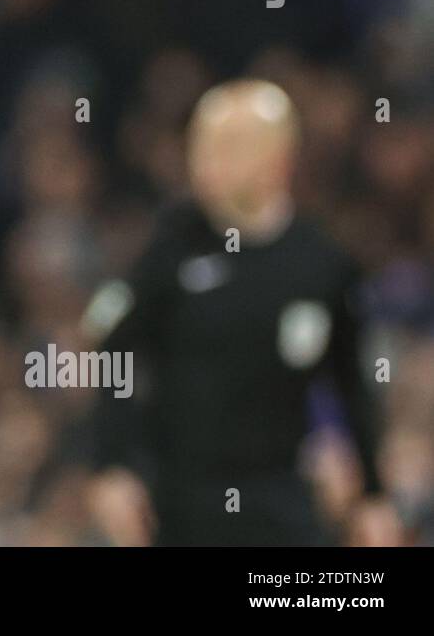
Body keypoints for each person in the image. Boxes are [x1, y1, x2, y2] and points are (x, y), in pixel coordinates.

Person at [84, 79, 403, 545]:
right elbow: (114, 351)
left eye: (230, 145)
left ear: (280, 157)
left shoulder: (320, 265)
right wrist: (111, 465)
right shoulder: (171, 251)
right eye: (201, 143)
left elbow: (352, 382)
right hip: (177, 504)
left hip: (280, 496)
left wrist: (373, 495)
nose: (206, 160)